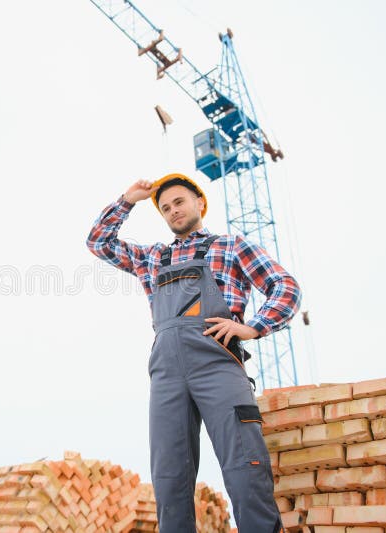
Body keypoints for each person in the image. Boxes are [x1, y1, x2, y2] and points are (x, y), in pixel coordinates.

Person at [85, 173, 301, 533]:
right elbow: (99, 242)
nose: (173, 211)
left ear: (200, 202)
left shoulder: (231, 247)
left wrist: (253, 327)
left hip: (218, 365)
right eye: (166, 208)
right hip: (167, 373)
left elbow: (285, 287)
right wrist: (128, 200)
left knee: (244, 467)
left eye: (179, 202)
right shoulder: (152, 258)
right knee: (169, 478)